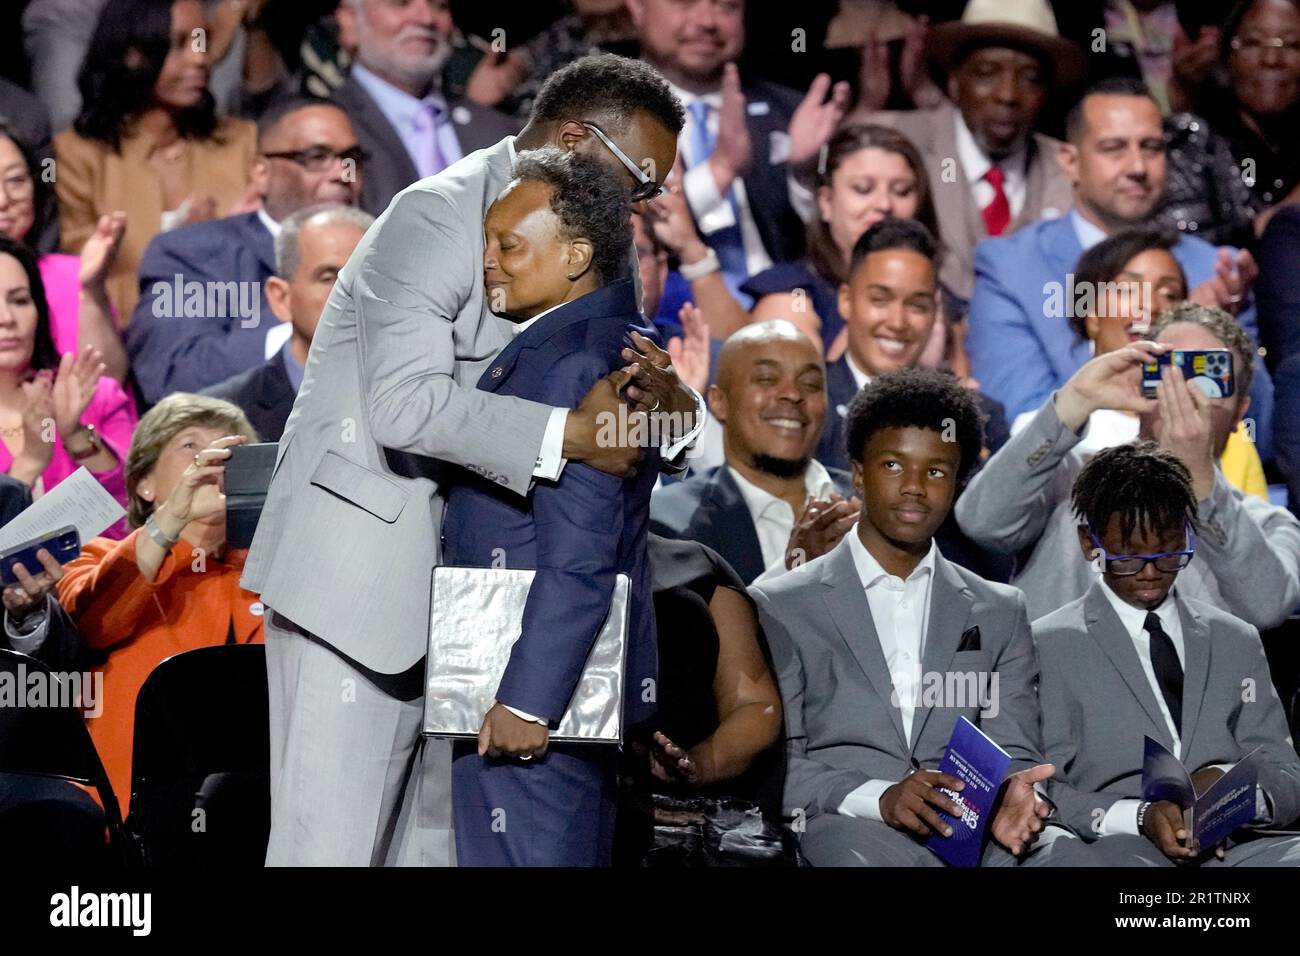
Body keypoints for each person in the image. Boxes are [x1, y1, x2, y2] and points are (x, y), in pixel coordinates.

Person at [243, 53, 700, 867]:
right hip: (360, 587)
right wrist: (565, 434)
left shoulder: (604, 240)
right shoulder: (433, 217)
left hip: (485, 614)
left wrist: (675, 421)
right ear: (570, 137)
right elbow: (405, 405)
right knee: (334, 852)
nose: (644, 206)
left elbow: (621, 389)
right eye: (641, 180)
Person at [442, 148, 668, 866]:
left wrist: (528, 702)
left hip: (537, 707)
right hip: (548, 696)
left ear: (575, 255)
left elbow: (581, 557)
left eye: (508, 244)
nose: (488, 263)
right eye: (486, 241)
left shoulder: (571, 362)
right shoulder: (599, 344)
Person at [750, 368, 1072, 867]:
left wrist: (1013, 793)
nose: (917, 487)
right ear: (858, 472)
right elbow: (777, 767)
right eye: (894, 466)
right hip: (850, 827)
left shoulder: (1000, 609)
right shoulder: (782, 604)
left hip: (976, 833)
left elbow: (1015, 749)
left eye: (937, 471)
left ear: (959, 482)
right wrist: (881, 796)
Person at [1035, 441, 1300, 865]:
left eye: (1169, 552)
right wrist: (1138, 816)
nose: (1151, 573)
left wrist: (1232, 785)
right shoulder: (1046, 645)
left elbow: (1286, 775)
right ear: (1090, 543)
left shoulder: (1235, 639)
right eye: (1129, 556)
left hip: (1238, 849)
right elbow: (1041, 787)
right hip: (1115, 848)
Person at [957, 303, 1300, 629]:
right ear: (1143, 381)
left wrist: (1199, 477)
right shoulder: (1070, 478)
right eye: (1171, 372)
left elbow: (1268, 607)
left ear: (1240, 411)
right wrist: (1076, 400)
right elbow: (980, 521)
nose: (1184, 393)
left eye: (1208, 375)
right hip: (1057, 687)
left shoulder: (1266, 525)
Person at [965, 77, 1268, 427]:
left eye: (1151, 147)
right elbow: (1022, 421)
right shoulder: (1011, 267)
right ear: (1069, 161)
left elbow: (1257, 429)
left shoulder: (1216, 269)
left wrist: (1214, 337)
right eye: (1114, 148)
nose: (1138, 167)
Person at [55, 393, 261, 810]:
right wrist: (173, 518)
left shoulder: (270, 574)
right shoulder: (93, 556)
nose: (213, 459)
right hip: (129, 809)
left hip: (252, 801)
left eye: (229, 450)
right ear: (144, 483)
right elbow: (95, 625)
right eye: (191, 446)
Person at [126, 98, 365, 404]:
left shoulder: (393, 251)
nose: (342, 174)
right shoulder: (191, 253)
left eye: (352, 159)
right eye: (316, 157)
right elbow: (175, 376)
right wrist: (302, 331)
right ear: (261, 173)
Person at [626, 0, 851, 305]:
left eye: (727, 6)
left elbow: (839, 243)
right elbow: (618, 240)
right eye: (686, 2)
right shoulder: (602, 119)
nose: (707, 20)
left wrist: (802, 175)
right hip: (674, 325)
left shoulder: (790, 111)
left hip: (797, 310)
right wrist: (718, 173)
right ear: (637, 7)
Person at [859, 0, 1081, 302]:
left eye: (1030, 78)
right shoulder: (897, 142)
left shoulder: (1071, 169)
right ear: (954, 83)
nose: (1007, 95)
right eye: (987, 72)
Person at [53, 0, 259, 319]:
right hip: (124, 347)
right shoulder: (78, 155)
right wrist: (184, 245)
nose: (200, 58)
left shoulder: (240, 141)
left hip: (239, 333)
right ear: (132, 55)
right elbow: (85, 286)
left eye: (202, 40)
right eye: (179, 44)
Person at [1060, 225, 1267, 499]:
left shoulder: (1225, 429)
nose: (1152, 306)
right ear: (1092, 316)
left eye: (1170, 295)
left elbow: (1252, 534)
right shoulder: (1055, 429)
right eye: (1128, 291)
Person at [615, 533, 784, 865]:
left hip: (687, 817)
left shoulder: (698, 567)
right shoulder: (507, 563)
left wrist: (704, 761)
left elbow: (753, 705)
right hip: (567, 802)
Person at [652, 320, 858, 585]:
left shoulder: (872, 507)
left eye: (811, 383)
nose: (793, 394)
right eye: (766, 379)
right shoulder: (670, 523)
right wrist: (794, 572)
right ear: (719, 402)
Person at [818, 218, 1009, 474]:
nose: (898, 323)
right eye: (880, 300)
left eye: (917, 306)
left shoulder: (976, 418)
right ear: (846, 300)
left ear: (935, 313)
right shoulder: (809, 405)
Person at [331, 0, 519, 216]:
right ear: (351, 20)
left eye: (440, 6)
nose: (426, 19)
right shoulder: (323, 132)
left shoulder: (500, 130)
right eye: (401, 3)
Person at [0, 237, 135, 537]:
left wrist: (75, 434)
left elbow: (133, 529)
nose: (7, 319)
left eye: (20, 300)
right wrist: (30, 460)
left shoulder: (97, 397)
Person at [204, 204, 373, 441]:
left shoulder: (428, 397)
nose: (352, 292)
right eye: (329, 278)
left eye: (367, 276)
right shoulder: (220, 420)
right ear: (281, 298)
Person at [0, 123, 129, 382]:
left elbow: (108, 387)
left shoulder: (73, 275)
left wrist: (92, 291)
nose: (3, 200)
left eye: (16, 180)